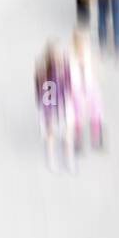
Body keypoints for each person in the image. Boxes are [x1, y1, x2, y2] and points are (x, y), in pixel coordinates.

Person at [34, 42, 75, 173]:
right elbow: (46, 100)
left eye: (60, 55)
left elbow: (69, 87)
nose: (59, 58)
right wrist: (49, 118)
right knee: (51, 135)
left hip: (63, 106)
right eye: (57, 56)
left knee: (68, 135)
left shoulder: (64, 68)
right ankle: (51, 160)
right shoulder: (47, 75)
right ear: (51, 58)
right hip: (51, 110)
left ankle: (69, 160)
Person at [67, 27, 105, 152]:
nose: (85, 45)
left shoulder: (88, 54)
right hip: (76, 90)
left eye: (86, 42)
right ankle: (78, 140)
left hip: (90, 86)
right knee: (77, 115)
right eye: (83, 42)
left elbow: (95, 69)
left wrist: (95, 73)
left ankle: (97, 138)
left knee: (96, 111)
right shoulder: (70, 57)